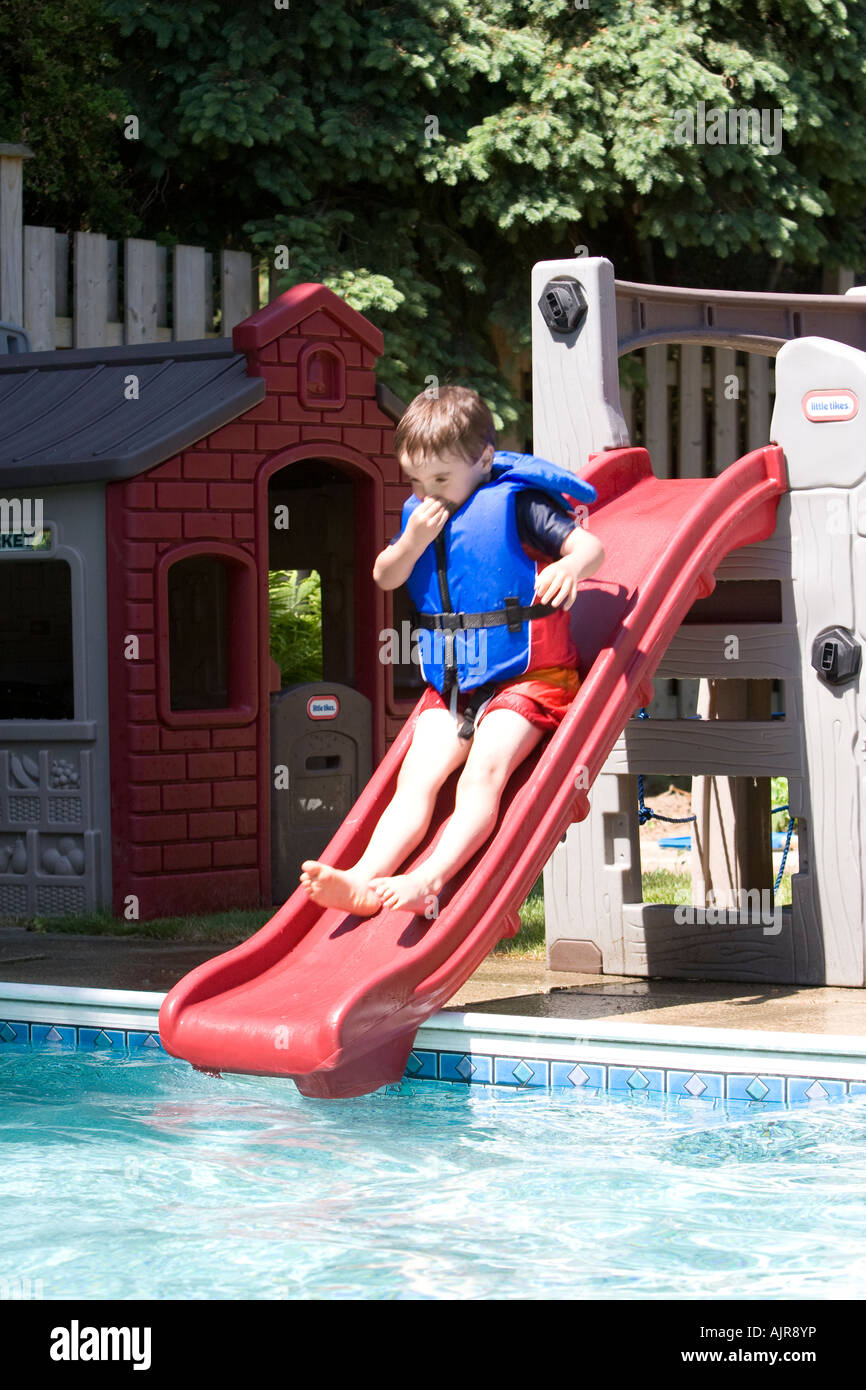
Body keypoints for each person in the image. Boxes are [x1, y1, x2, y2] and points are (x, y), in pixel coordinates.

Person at [300, 384, 605, 917]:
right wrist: (412, 540)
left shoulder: (519, 502)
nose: (429, 492)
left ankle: (429, 878)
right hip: (456, 687)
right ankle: (361, 878)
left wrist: (568, 566)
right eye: (416, 481)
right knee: (414, 780)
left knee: (482, 773)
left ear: (484, 460)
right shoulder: (419, 517)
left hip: (530, 681)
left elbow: (590, 547)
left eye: (441, 478)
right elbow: (386, 575)